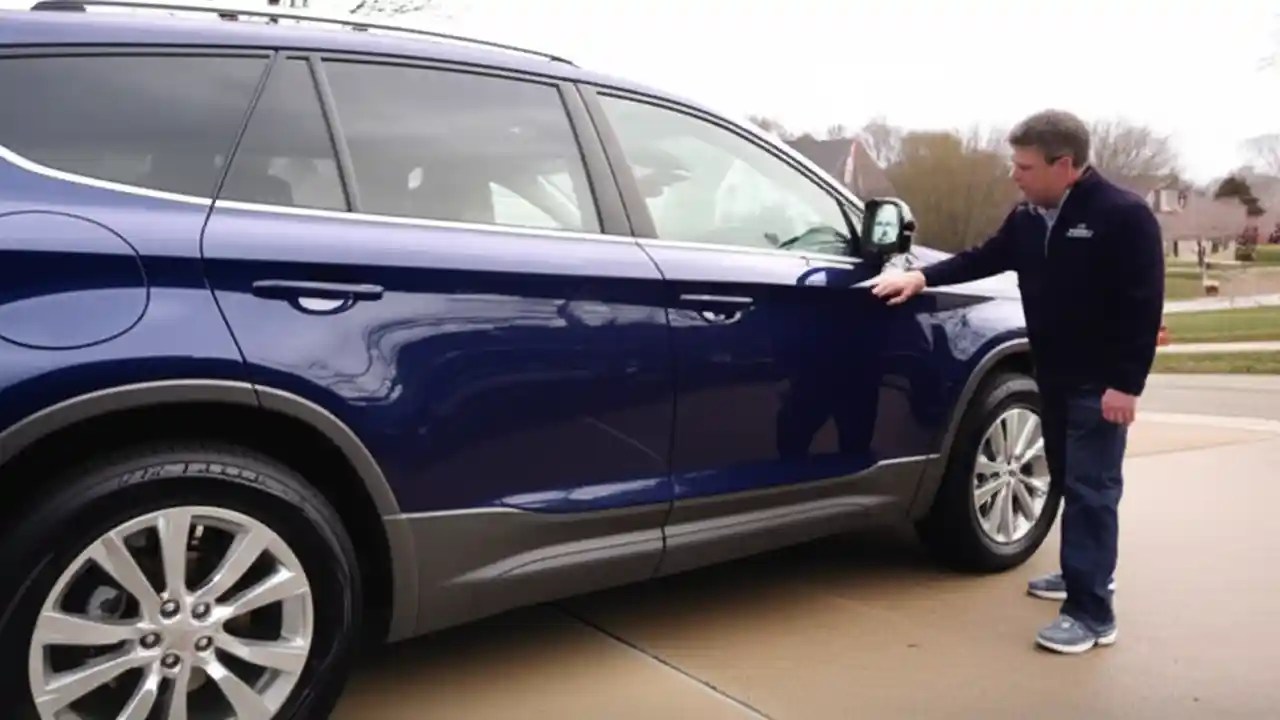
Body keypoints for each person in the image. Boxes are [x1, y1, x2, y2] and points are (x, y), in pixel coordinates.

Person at [868, 109, 1165, 654]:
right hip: (1051, 374)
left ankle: (1092, 614)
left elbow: (1142, 308)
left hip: (1098, 385)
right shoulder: (1029, 216)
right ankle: (1087, 575)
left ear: (1066, 165)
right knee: (1068, 480)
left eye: (1025, 166)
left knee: (1091, 492)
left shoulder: (1123, 216)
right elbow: (985, 257)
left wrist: (1126, 385)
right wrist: (920, 276)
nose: (1015, 175)